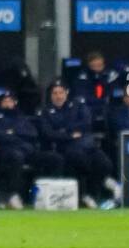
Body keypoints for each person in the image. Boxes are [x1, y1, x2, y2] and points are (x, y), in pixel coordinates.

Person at [38, 80, 121, 209]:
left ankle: (94, 193)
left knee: (105, 163)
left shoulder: (78, 105)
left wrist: (64, 129)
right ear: (51, 95)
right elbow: (48, 133)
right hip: (64, 147)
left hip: (86, 144)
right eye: (55, 93)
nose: (58, 96)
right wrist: (70, 134)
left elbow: (87, 123)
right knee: (80, 160)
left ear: (66, 93)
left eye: (61, 92)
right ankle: (86, 194)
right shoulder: (46, 111)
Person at [0, 90, 59, 208]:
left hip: (27, 150)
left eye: (10, 101)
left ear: (15, 102)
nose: (8, 103)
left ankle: (52, 194)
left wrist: (12, 133)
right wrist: (16, 135)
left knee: (54, 158)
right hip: (6, 152)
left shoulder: (22, 117)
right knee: (16, 157)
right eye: (5, 101)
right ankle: (13, 195)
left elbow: (32, 133)